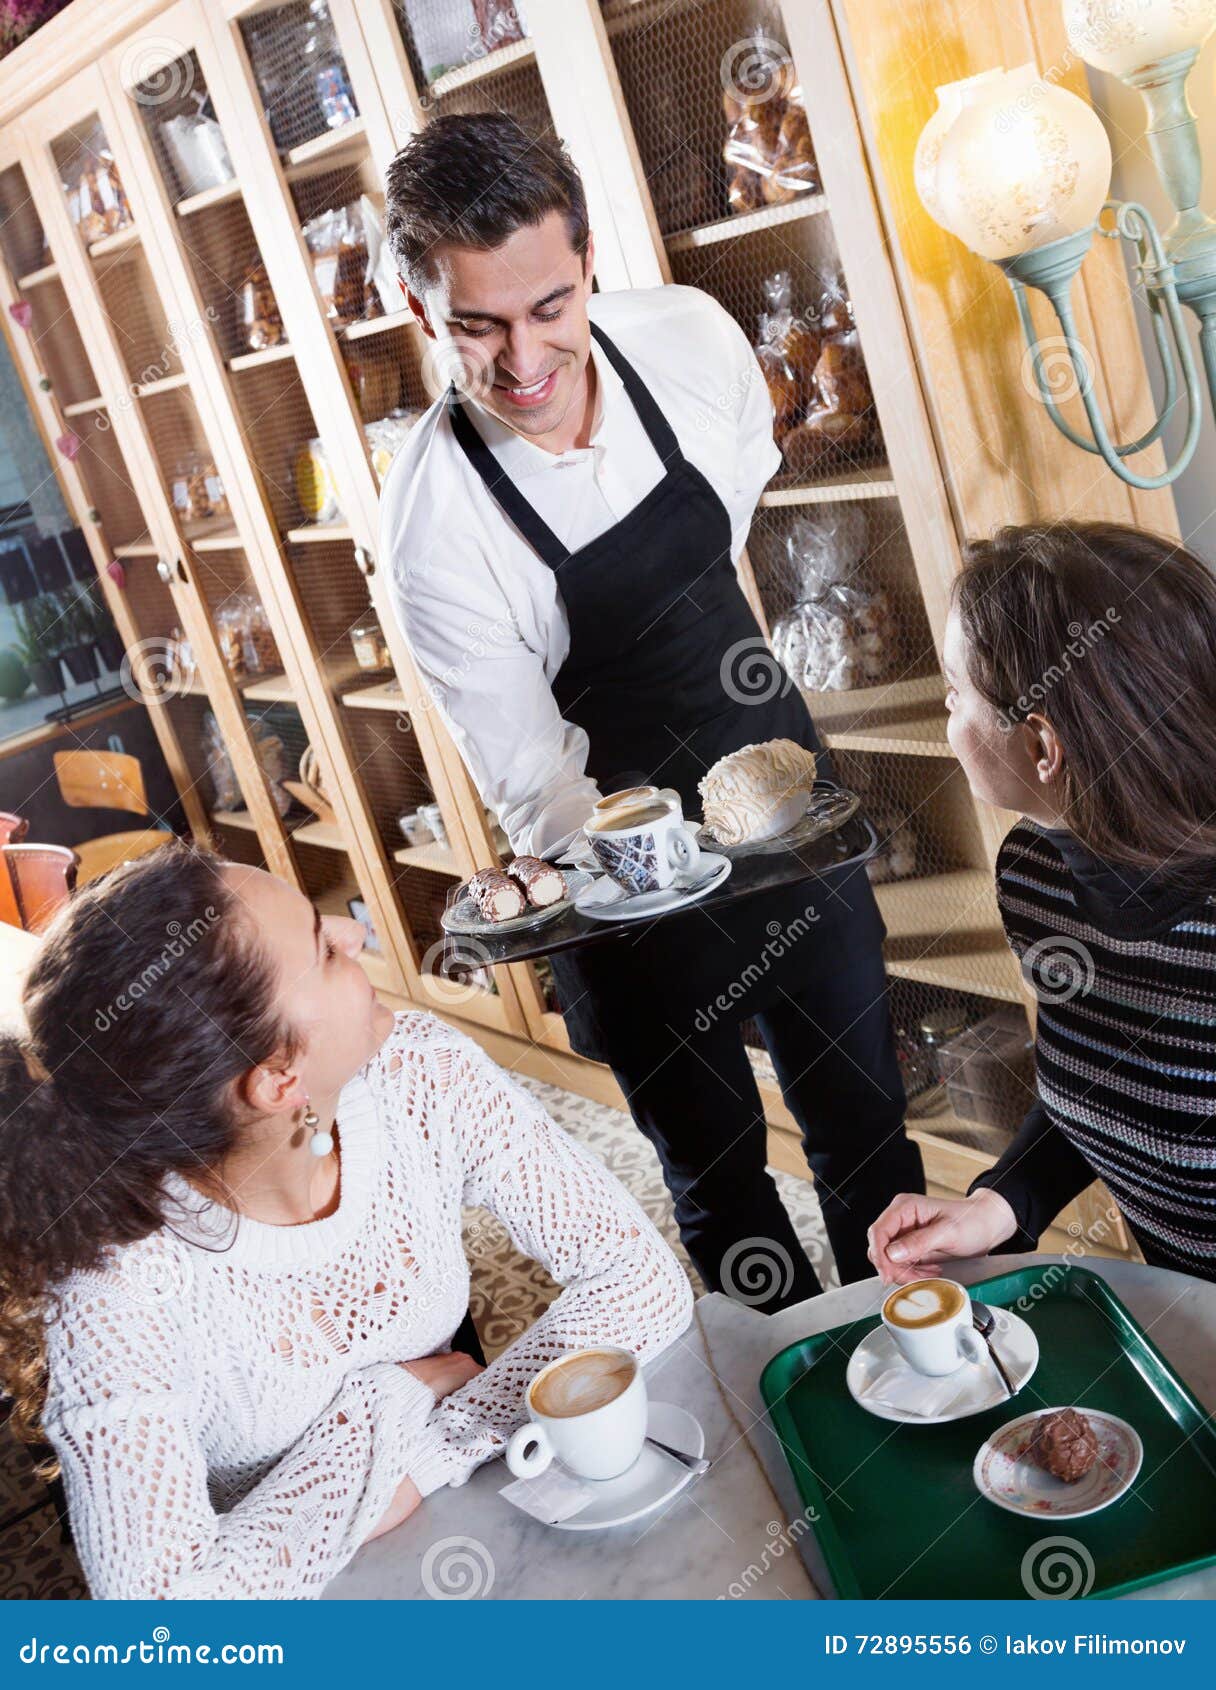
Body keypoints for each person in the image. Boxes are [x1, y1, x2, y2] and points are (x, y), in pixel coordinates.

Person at [379, 112, 923, 1312]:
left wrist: (751, 805)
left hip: (779, 792)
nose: (523, 360)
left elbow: (726, 515)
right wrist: (670, 868)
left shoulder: (686, 342)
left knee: (866, 1126)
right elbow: (536, 778)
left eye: (550, 307)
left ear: (589, 266)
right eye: (476, 324)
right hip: (617, 871)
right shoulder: (434, 531)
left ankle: (927, 1366)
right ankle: (791, 1404)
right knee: (721, 1182)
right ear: (421, 310)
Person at [0, 844, 692, 1599]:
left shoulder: (423, 1073)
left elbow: (643, 1281)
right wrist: (388, 1401)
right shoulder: (114, 1282)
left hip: (444, 1524)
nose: (351, 932)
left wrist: (432, 1448)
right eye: (323, 951)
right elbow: (166, 1615)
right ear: (279, 1080)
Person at [869, 521, 1216, 1286]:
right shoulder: (1036, 872)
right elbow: (1098, 1076)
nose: (946, 716)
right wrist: (1003, 1203)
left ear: (1042, 747)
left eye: (955, 692)